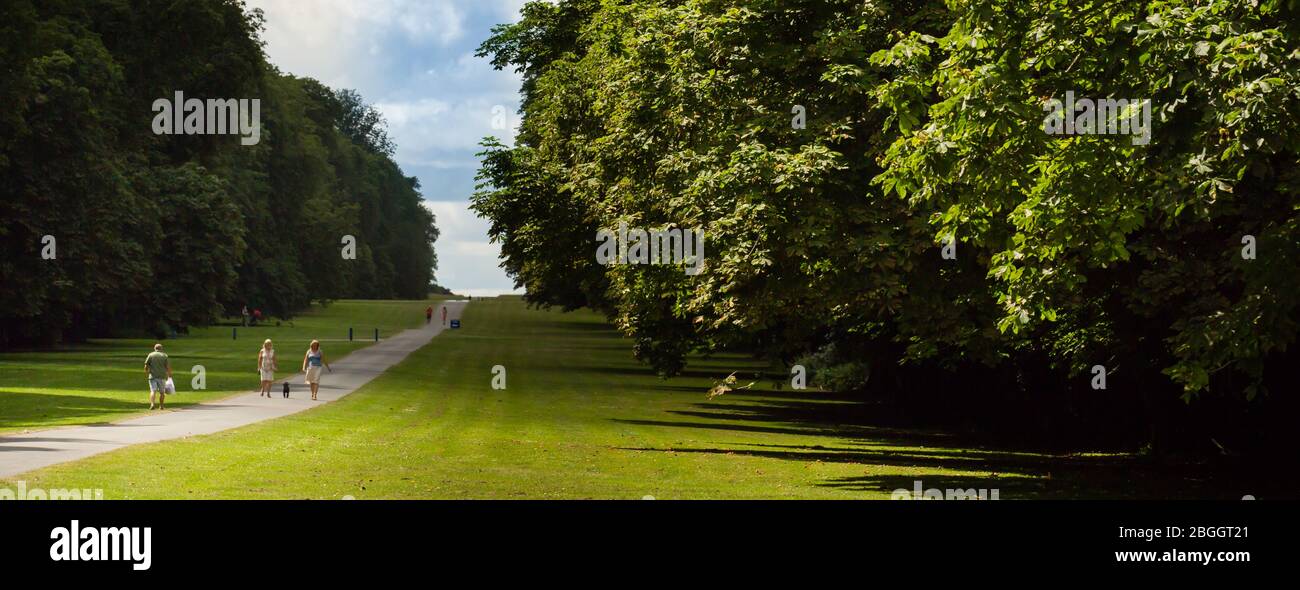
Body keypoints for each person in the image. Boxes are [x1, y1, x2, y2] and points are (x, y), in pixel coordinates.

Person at [144, 343, 172, 410]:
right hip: (162, 376)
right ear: (161, 348)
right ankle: (161, 406)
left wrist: (146, 372)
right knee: (162, 392)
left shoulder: (151, 355)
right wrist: (169, 374)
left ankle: (152, 404)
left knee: (153, 391)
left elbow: (146, 365)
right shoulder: (164, 355)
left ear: (155, 348)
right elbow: (167, 366)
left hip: (153, 376)